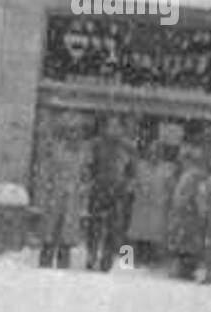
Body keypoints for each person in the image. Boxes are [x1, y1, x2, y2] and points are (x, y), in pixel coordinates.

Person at [34, 111, 88, 269]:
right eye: (71, 131)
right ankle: (45, 261)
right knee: (50, 230)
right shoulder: (56, 150)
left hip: (72, 198)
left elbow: (85, 176)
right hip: (54, 195)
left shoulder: (83, 154)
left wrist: (82, 192)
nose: (74, 135)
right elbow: (46, 172)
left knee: (67, 234)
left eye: (77, 132)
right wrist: (45, 192)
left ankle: (63, 264)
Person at [86, 115, 136, 271]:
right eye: (110, 126)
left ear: (122, 129)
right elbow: (90, 166)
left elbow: (132, 170)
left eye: (117, 126)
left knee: (116, 228)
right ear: (105, 127)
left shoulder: (128, 147)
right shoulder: (97, 145)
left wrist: (128, 185)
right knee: (95, 225)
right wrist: (91, 182)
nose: (113, 130)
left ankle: (114, 260)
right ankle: (92, 255)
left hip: (119, 192)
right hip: (99, 189)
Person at [127, 141, 176, 267]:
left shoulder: (168, 169)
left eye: (157, 152)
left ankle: (154, 263)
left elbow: (171, 188)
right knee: (133, 236)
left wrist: (167, 200)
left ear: (162, 154)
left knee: (156, 238)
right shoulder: (140, 166)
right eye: (152, 152)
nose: (154, 155)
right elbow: (132, 184)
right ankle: (127, 260)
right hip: (140, 207)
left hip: (158, 209)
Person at [166, 145, 207, 281]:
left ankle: (185, 271)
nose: (181, 162)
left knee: (187, 244)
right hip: (187, 216)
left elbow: (190, 197)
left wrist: (185, 207)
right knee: (186, 244)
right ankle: (185, 270)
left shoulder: (192, 176)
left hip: (188, 216)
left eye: (183, 159)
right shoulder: (190, 175)